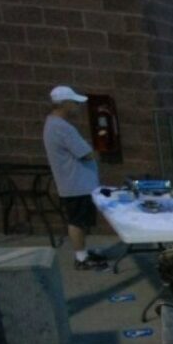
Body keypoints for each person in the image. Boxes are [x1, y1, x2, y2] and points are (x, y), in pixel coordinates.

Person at [42, 85, 107, 270]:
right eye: (75, 103)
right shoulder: (62, 127)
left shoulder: (52, 123)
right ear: (65, 104)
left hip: (73, 183)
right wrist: (96, 152)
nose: (78, 107)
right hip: (75, 184)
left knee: (79, 220)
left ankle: (83, 252)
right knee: (77, 221)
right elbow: (85, 154)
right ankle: (81, 259)